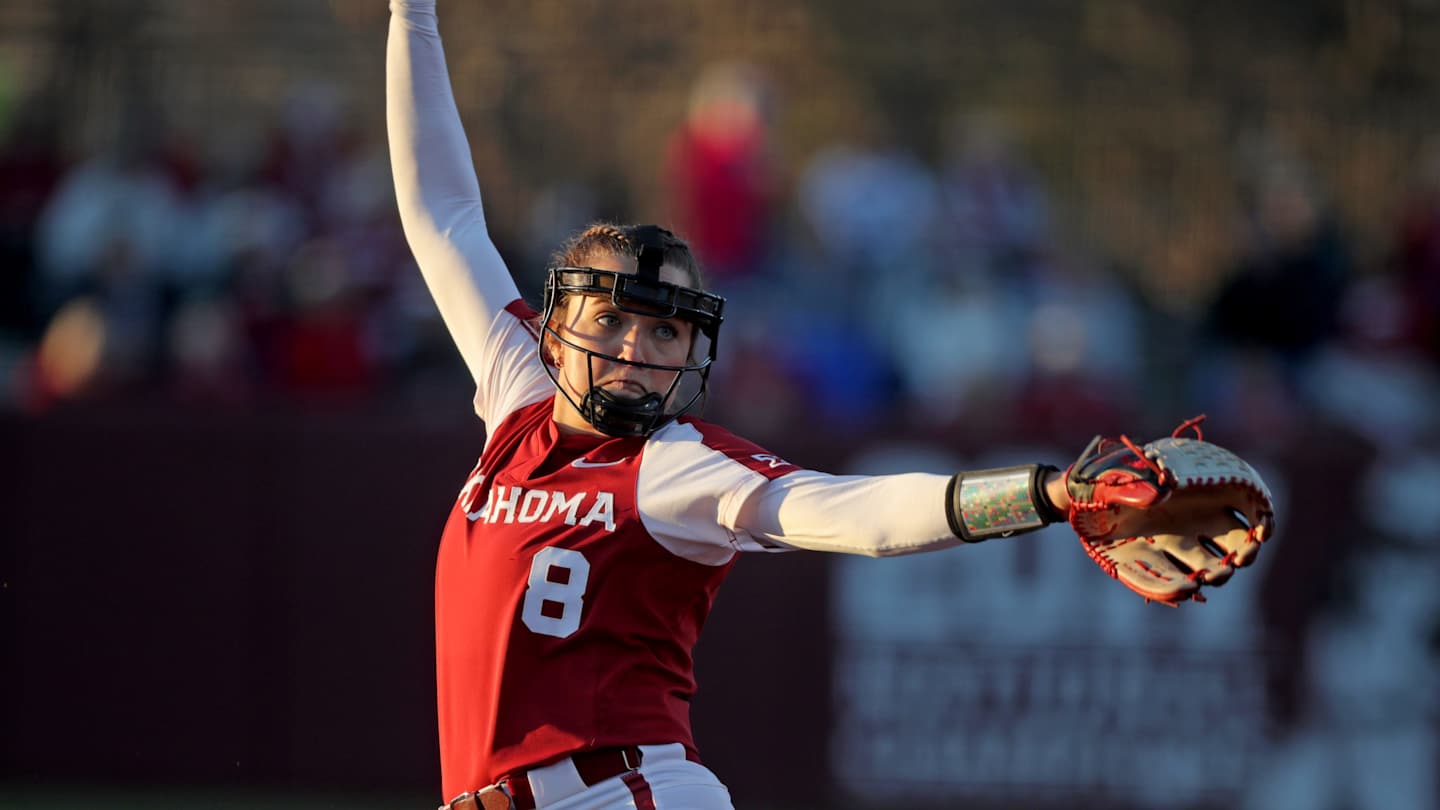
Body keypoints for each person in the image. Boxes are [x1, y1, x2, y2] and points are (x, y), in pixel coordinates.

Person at [387, 3, 1079, 808]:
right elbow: (443, 215)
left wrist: (1047, 494)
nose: (636, 349)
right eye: (611, 319)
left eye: (666, 331)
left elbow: (861, 515)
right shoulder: (518, 392)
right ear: (554, 328)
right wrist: (413, 12)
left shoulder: (673, 465)